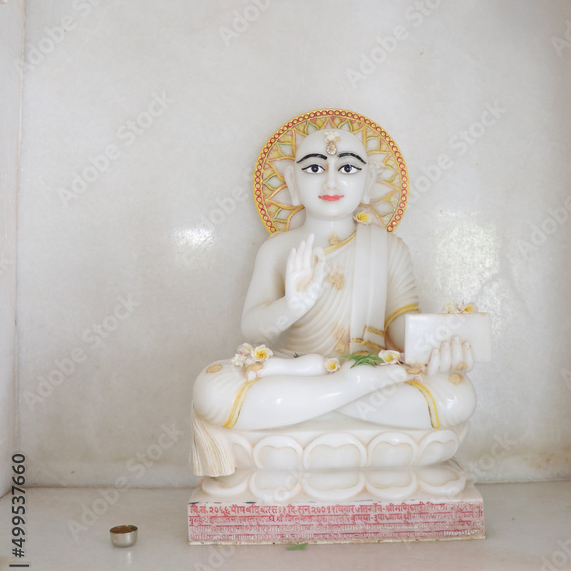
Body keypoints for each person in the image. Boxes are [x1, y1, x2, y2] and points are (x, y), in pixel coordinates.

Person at [191, 123, 476, 477]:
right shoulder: (278, 250)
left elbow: (401, 329)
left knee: (456, 395)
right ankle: (345, 389)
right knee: (211, 388)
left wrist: (441, 342)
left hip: (367, 372)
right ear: (292, 183)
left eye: (347, 168)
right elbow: (254, 333)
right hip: (296, 370)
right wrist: (293, 306)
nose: (330, 182)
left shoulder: (389, 248)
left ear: (369, 182)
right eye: (314, 168)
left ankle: (339, 391)